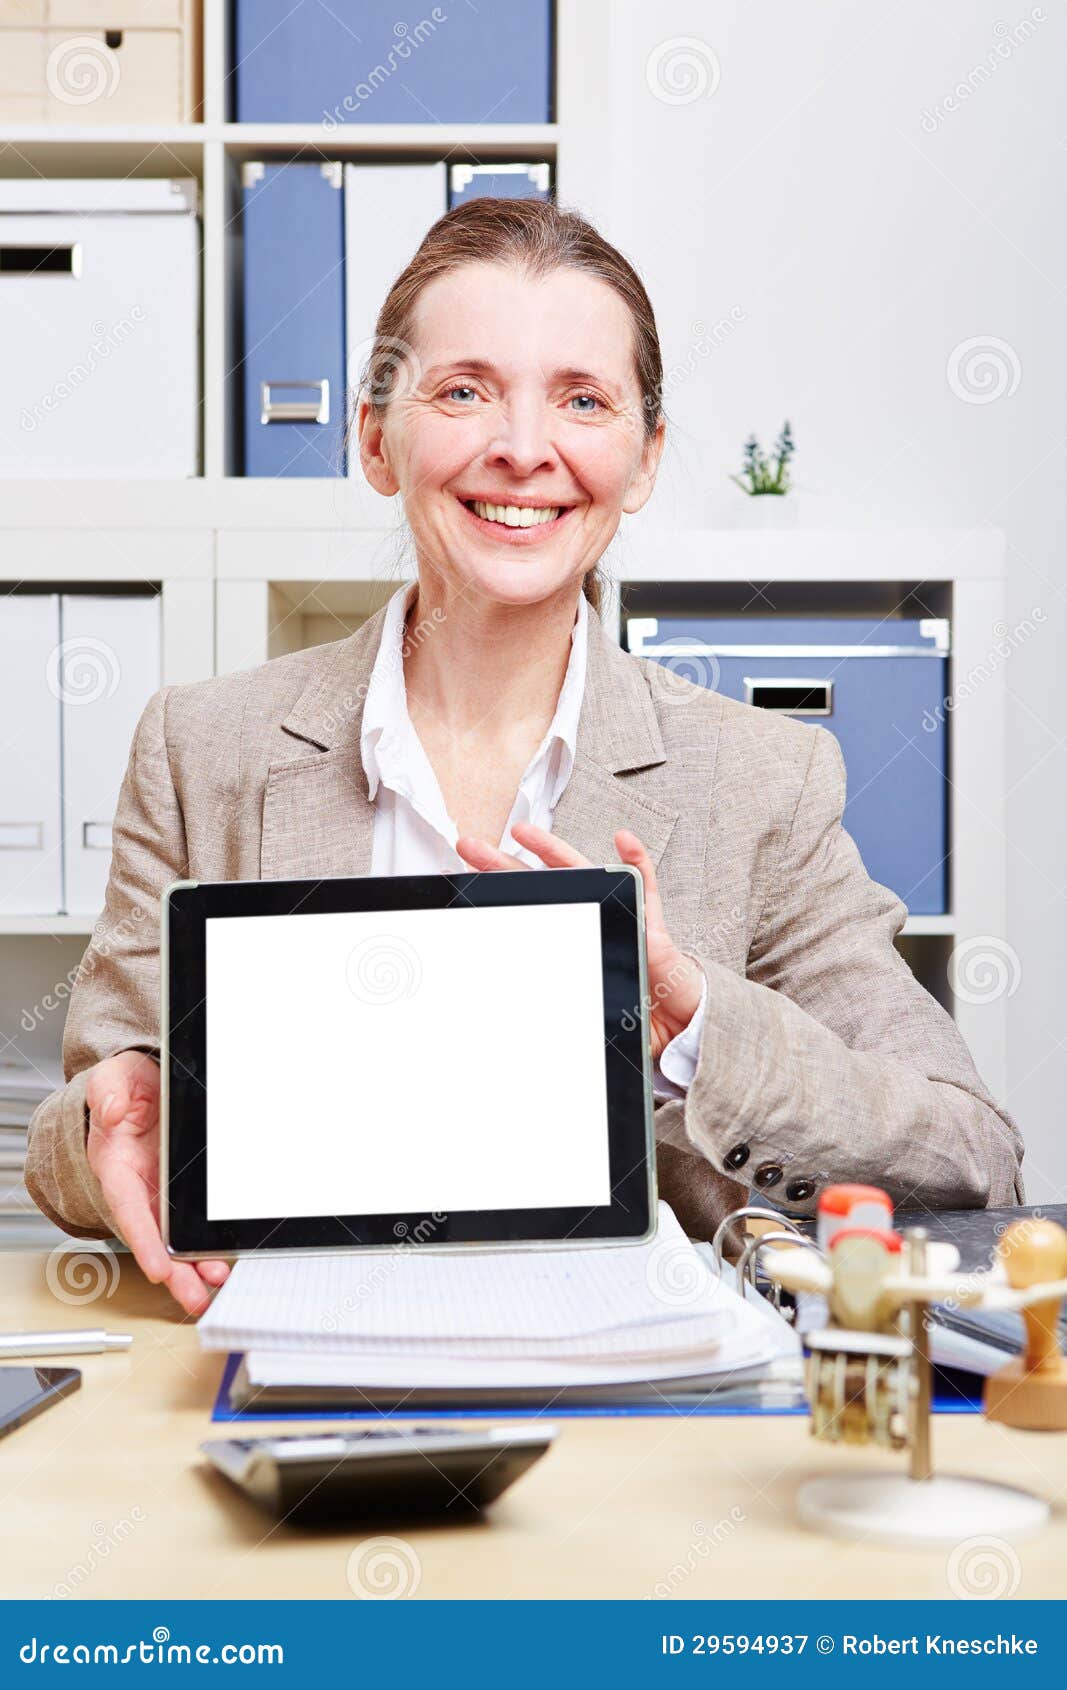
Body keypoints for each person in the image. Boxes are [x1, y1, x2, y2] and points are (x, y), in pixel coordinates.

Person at [25, 197, 1024, 1314]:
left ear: (642, 459)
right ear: (372, 437)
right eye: (463, 390)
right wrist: (111, 1121)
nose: (521, 448)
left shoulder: (761, 781)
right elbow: (86, 1128)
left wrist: (690, 1017)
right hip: (293, 1363)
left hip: (631, 1403)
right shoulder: (199, 747)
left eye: (582, 401)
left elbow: (967, 1152)